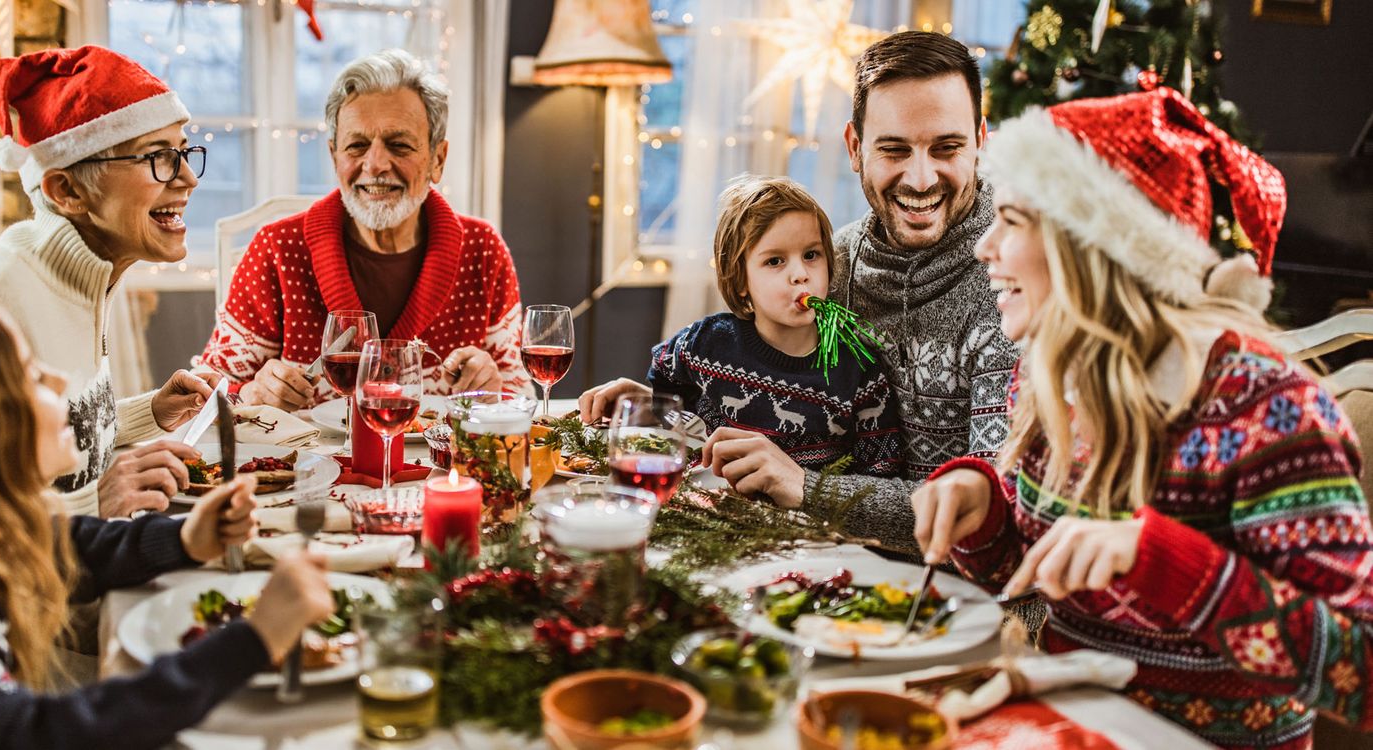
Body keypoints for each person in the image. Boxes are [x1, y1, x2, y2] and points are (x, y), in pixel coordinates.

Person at [912, 87, 1369, 750]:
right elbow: (1028, 571)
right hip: (1063, 729)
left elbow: (1361, 674)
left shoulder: (1268, 411)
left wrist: (1162, 560)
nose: (984, 246)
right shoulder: (1050, 373)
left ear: (1094, 247)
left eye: (1010, 220)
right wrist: (982, 510)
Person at [0, 150, 334, 745]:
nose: (59, 379)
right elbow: (51, 735)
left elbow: (73, 545)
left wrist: (184, 538)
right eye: (32, 377)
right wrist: (253, 640)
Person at [584, 32, 1015, 554]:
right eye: (894, 149)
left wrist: (808, 488)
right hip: (808, 558)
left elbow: (995, 516)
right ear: (855, 148)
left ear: (980, 141)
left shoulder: (1017, 290)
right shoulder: (828, 264)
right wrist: (659, 414)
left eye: (946, 148)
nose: (921, 179)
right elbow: (750, 400)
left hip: (957, 588)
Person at [0, 46, 220, 519]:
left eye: (184, 153)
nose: (188, 177)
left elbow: (45, 447)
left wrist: (150, 413)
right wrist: (92, 504)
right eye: (159, 157)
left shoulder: (88, 275)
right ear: (67, 191)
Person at [195, 49, 530, 409]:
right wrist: (247, 393)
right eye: (357, 146)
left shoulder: (483, 249)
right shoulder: (278, 248)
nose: (375, 164)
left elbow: (521, 394)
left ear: (438, 159)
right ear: (334, 157)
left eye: (399, 145)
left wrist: (495, 390)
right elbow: (203, 395)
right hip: (308, 449)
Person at [640, 175, 904, 478]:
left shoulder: (858, 372)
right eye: (775, 261)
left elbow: (881, 468)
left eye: (811, 255)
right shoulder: (705, 342)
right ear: (740, 280)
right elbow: (664, 379)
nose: (800, 274)